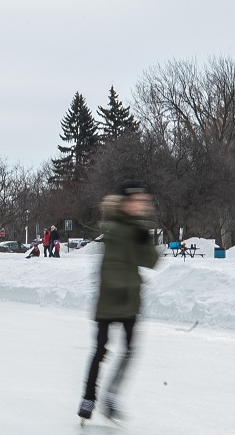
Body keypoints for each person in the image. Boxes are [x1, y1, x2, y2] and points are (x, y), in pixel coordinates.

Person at [79, 181, 160, 422]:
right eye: (137, 201)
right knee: (101, 350)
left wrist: (145, 239)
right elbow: (113, 266)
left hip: (129, 300)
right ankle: (88, 397)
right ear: (126, 203)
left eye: (144, 202)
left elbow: (151, 262)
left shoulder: (138, 230)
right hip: (110, 298)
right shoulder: (113, 227)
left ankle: (111, 396)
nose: (141, 206)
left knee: (128, 351)